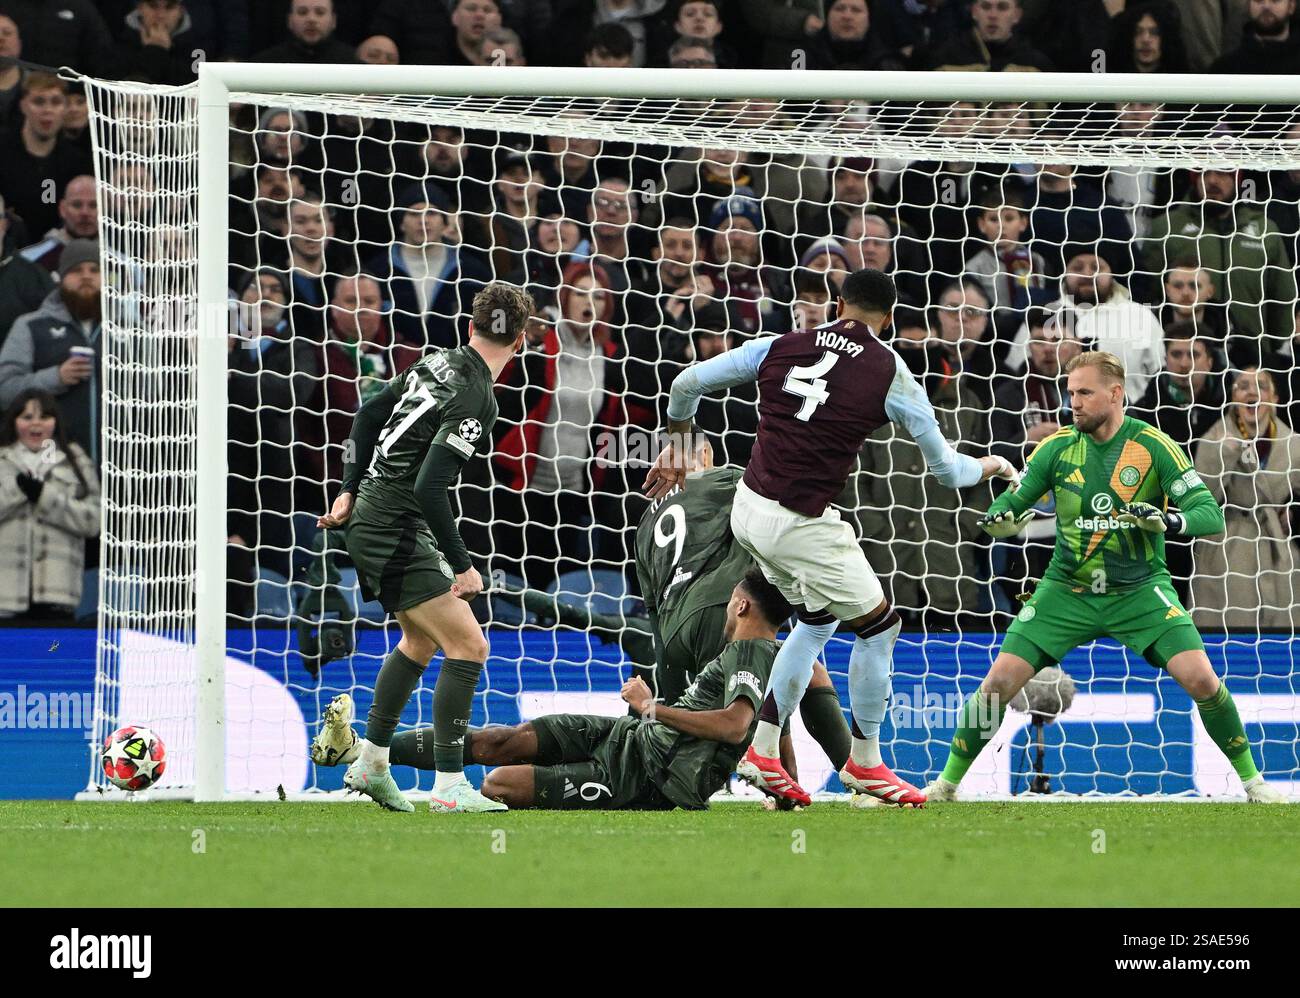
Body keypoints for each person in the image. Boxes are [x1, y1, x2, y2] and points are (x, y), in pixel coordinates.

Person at [646, 268, 1019, 806]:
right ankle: (865, 763)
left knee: (817, 621)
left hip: (749, 509)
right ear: (889, 318)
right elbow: (947, 472)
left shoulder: (777, 344)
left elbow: (685, 384)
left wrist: (681, 447)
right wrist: (994, 466)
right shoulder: (890, 370)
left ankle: (765, 748)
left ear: (837, 303)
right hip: (801, 524)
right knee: (880, 628)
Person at [927, 351, 1284, 804]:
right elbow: (1008, 509)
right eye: (1070, 392)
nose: (1073, 402)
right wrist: (999, 519)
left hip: (1139, 590)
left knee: (1201, 680)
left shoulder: (1154, 446)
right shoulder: (1056, 448)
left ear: (1115, 394)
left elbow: (1208, 513)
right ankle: (946, 786)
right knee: (997, 683)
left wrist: (1167, 522)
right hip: (1066, 590)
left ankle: (1254, 784)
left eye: (1084, 392)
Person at [316, 281, 534, 814]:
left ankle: (370, 761)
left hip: (372, 515)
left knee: (420, 641)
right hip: (393, 525)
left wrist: (346, 489)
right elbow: (429, 487)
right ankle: (450, 785)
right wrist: (465, 566)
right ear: (522, 341)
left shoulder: (434, 362)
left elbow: (367, 415)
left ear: (469, 327)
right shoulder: (478, 397)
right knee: (470, 646)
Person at [318, 569, 797, 811]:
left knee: (497, 783)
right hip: (626, 739)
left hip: (647, 779)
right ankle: (361, 752)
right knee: (500, 741)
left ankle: (365, 753)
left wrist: (652, 709)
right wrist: (787, 789)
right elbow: (777, 727)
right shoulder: (773, 662)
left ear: (739, 604)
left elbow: (736, 727)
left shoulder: (751, 654)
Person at [1191, 366, 1300, 630]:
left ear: (1275, 398)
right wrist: (1226, 455)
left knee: (1282, 634)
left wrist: (1292, 509)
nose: (1252, 392)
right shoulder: (1213, 439)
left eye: (1261, 386)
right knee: (1228, 630)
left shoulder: (1293, 443)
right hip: (1227, 546)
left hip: (1278, 546)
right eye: (1243, 386)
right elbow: (1197, 498)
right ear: (1233, 398)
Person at [0, 239, 102, 464]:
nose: (86, 276)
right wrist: (56, 377)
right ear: (60, 277)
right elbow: (5, 390)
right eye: (76, 270)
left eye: (95, 270)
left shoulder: (130, 329)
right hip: (54, 467)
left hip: (123, 467)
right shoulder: (30, 325)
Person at [0, 389, 99, 620]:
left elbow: (94, 521)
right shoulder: (2, 460)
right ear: (14, 422)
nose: (36, 424)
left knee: (53, 651)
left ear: (55, 422)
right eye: (27, 417)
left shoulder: (76, 461)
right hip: (4, 600)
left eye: (44, 417)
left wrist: (45, 496)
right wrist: (18, 490)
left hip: (58, 598)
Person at [926, 0, 1053, 72]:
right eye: (986, 7)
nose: (993, 15)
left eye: (1002, 7)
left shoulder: (1035, 63)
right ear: (974, 11)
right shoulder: (946, 58)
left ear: (1017, 15)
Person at [19, 175, 98, 275]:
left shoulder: (121, 261)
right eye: (77, 205)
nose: (85, 212)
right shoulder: (26, 261)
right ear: (63, 209)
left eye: (93, 205)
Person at [251, 0, 358, 64]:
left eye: (320, 12)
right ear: (290, 20)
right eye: (302, 12)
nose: (311, 19)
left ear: (333, 20)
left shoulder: (353, 63)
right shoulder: (266, 64)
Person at [1212, 0, 1300, 74]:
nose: (1266, 6)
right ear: (1249, 5)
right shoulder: (1224, 69)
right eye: (1258, 0)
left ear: (1291, 6)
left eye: (1275, 0)